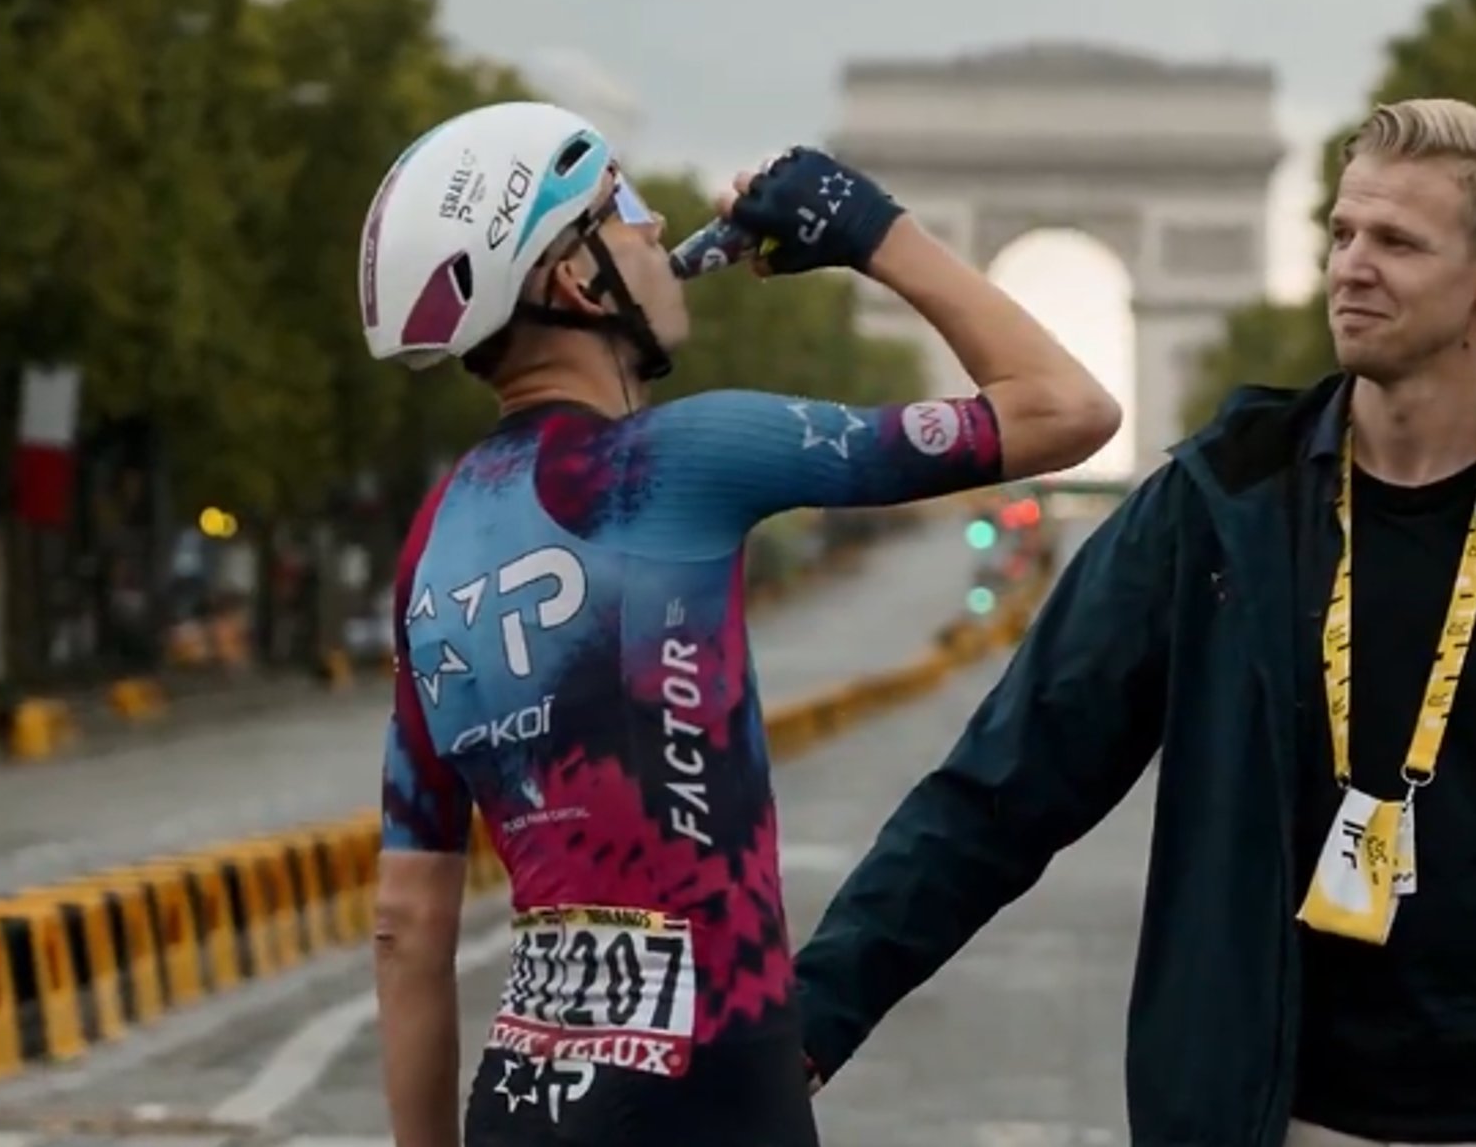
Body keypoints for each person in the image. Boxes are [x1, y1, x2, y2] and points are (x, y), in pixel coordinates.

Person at [792, 98, 1476, 1147]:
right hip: (1289, 1115)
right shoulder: (1214, 509)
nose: (1351, 269)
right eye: (1341, 233)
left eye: (1397, 243)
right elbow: (1000, 794)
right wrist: (808, 1018)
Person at [359, 100, 1119, 1147]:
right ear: (575, 282)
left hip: (524, 1100)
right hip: (707, 1086)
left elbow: (406, 927)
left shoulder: (432, 540)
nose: (654, 218)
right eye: (619, 204)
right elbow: (1068, 409)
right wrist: (872, 232)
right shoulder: (686, 456)